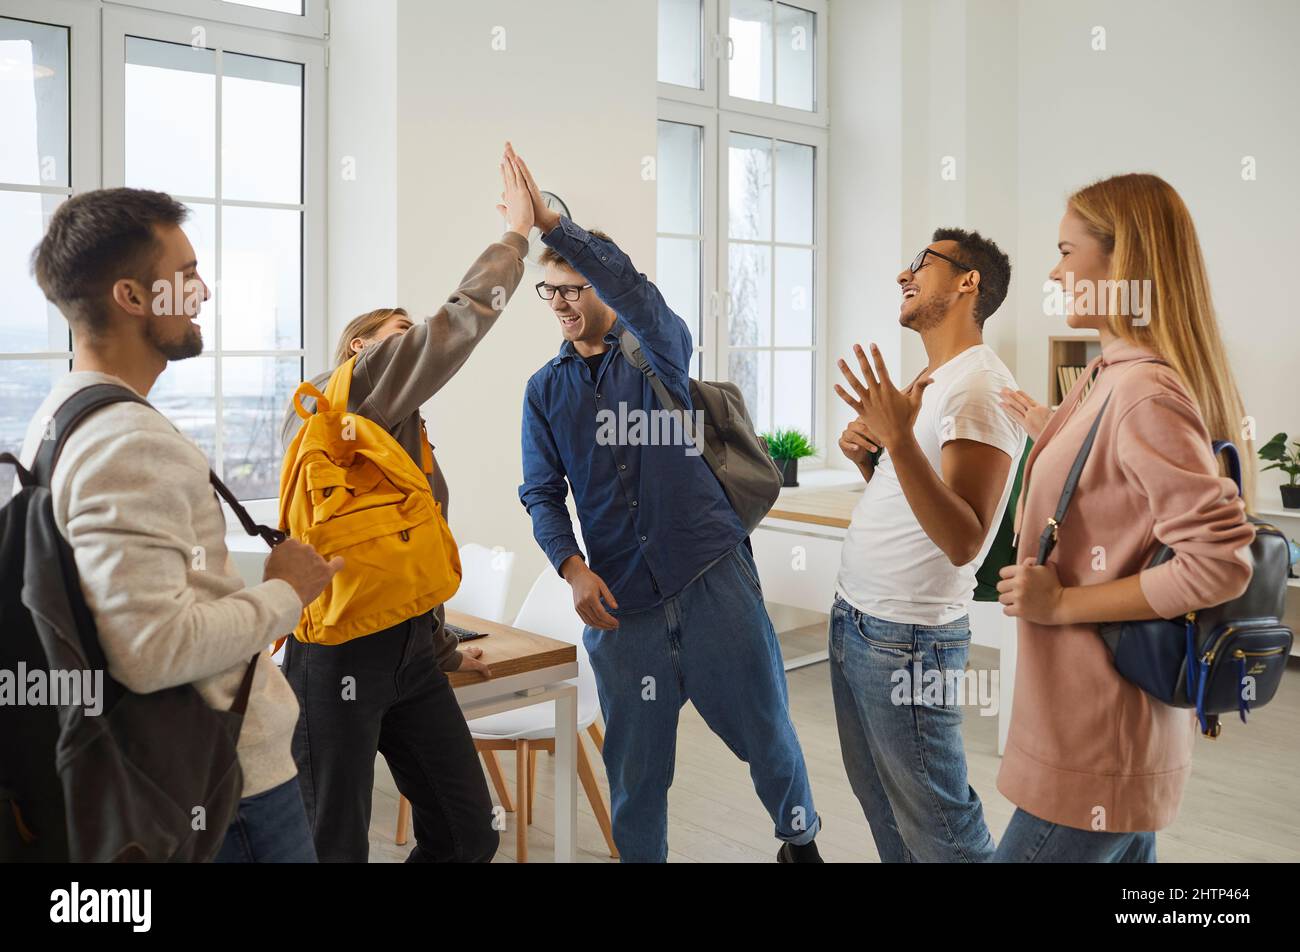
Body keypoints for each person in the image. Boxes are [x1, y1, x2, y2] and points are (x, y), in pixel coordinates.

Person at [510, 143, 821, 863]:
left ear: (602, 288)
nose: (561, 303)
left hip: (712, 578)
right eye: (549, 292)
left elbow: (639, 292)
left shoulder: (658, 350)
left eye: (574, 288)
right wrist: (571, 568)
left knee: (768, 735)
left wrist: (556, 226)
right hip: (624, 607)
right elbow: (540, 493)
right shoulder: (543, 392)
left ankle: (800, 844)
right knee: (637, 776)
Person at [21, 187, 340, 863]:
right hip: (226, 784)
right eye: (187, 275)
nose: (203, 295)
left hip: (160, 773)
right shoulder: (131, 443)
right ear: (133, 297)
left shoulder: (55, 420)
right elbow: (153, 651)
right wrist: (286, 593)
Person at [276, 150, 532, 863]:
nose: (414, 339)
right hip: (335, 657)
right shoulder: (352, 385)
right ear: (360, 348)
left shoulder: (402, 432)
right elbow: (451, 329)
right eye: (399, 331)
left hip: (412, 655)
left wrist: (442, 644)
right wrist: (516, 239)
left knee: (467, 831)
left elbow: (406, 548)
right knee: (333, 846)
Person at [994, 172, 1255, 862]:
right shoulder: (1105, 377)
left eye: (1066, 250)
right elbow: (1120, 487)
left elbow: (1219, 566)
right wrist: (1050, 430)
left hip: (1096, 738)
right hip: (1100, 729)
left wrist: (1063, 604)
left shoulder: (1140, 392)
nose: (1054, 270)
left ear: (1124, 262)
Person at [830, 229, 1024, 862]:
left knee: (941, 828)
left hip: (907, 639)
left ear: (968, 282)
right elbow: (919, 505)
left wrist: (899, 441)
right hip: (859, 620)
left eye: (922, 263)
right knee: (886, 808)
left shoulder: (979, 388)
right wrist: (875, 458)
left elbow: (964, 538)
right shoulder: (935, 379)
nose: (902, 274)